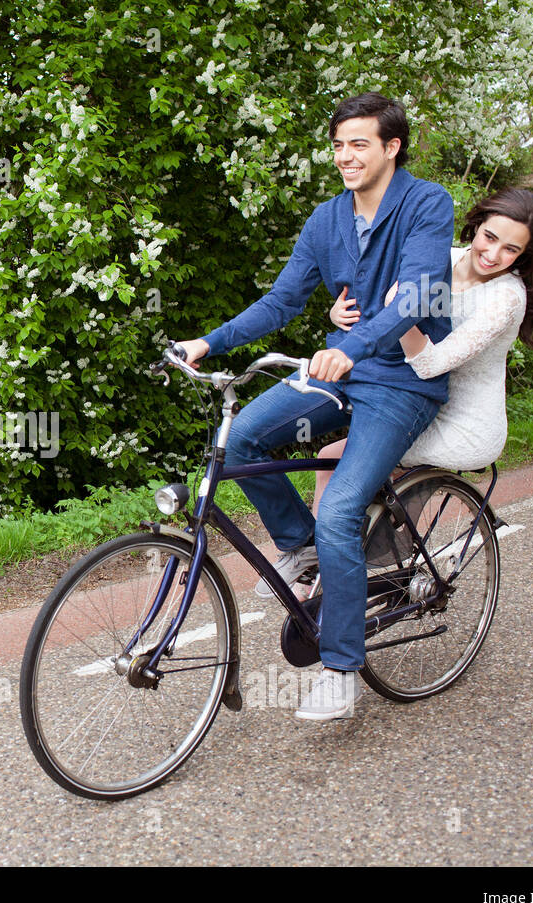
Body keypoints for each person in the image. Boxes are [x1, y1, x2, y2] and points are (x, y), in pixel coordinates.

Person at [175, 92, 454, 721]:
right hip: (341, 371)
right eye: (337, 145)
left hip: (402, 381)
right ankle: (305, 552)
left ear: (392, 146)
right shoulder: (326, 220)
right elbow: (281, 302)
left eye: (359, 143)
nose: (345, 156)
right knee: (242, 439)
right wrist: (208, 342)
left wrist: (353, 345)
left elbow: (417, 293)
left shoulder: (427, 204)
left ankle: (342, 668)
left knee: (344, 511)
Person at [310, 188, 533, 517]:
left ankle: (339, 561)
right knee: (329, 462)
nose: (492, 254)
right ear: (476, 225)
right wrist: (340, 313)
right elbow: (372, 305)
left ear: (522, 255)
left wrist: (401, 313)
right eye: (489, 237)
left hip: (463, 426)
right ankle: (330, 559)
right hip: (417, 401)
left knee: (338, 463)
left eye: (510, 250)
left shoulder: (507, 298)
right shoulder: (442, 258)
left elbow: (429, 364)